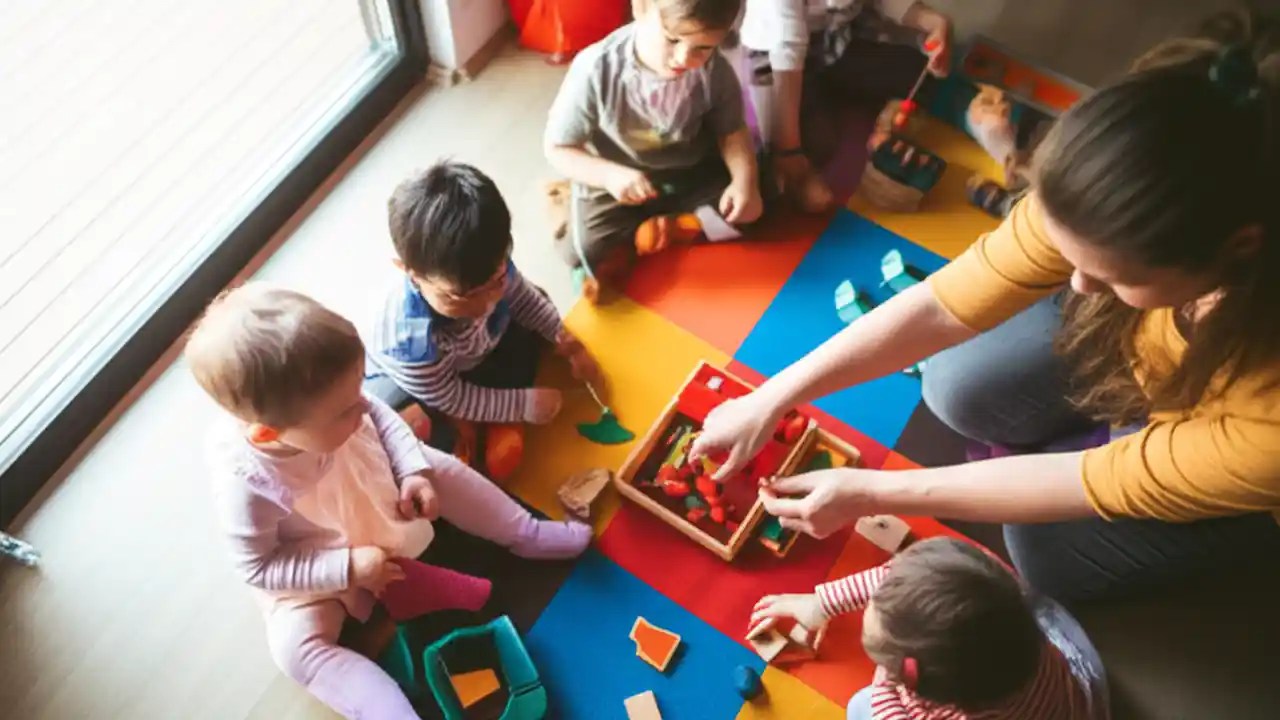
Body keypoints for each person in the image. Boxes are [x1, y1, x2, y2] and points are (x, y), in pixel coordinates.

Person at [691, 10, 1280, 604]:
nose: (1075, 285)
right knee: (954, 386)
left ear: (1235, 254)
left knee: (1045, 554)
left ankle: (1220, 511)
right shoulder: (1113, 186)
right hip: (1159, 358)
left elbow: (1093, 481)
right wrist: (770, 396)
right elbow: (944, 306)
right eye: (1068, 256)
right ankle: (1118, 417)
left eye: (1110, 277)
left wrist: (872, 491)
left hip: (1244, 446)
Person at [188, 285, 591, 720]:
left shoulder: (348, 405)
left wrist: (412, 472)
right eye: (344, 409)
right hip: (321, 556)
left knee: (443, 469)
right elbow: (259, 568)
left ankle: (525, 532)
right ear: (268, 433)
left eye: (360, 387)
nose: (363, 405)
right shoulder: (247, 485)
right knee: (293, 650)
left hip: (373, 483)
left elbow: (381, 417)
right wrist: (346, 567)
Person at [364, 161, 600, 475]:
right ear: (412, 273)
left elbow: (523, 298)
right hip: (427, 385)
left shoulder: (490, 262)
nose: (484, 303)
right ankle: (478, 428)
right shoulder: (409, 341)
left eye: (496, 282)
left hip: (476, 350)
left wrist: (564, 339)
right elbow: (450, 395)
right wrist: (521, 405)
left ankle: (493, 414)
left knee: (535, 303)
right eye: (460, 297)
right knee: (417, 438)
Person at [544, 0, 763, 303]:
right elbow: (557, 147)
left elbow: (731, 131)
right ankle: (568, 201)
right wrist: (609, 175)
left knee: (755, 207)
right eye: (672, 39)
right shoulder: (596, 68)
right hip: (619, 181)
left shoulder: (715, 71)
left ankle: (673, 225)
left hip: (689, 172)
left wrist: (744, 182)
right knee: (586, 252)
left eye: (703, 48)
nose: (684, 58)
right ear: (640, 9)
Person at [751, 538, 1088, 719]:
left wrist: (886, 682)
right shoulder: (983, 582)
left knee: (861, 707)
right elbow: (900, 580)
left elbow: (888, 704)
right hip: (1069, 684)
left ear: (914, 687)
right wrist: (821, 603)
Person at [738, 0, 954, 212]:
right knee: (817, 143)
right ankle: (786, 164)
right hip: (776, 62)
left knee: (918, 70)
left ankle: (834, 98)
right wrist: (789, 152)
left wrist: (936, 23)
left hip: (832, 47)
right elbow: (787, 51)